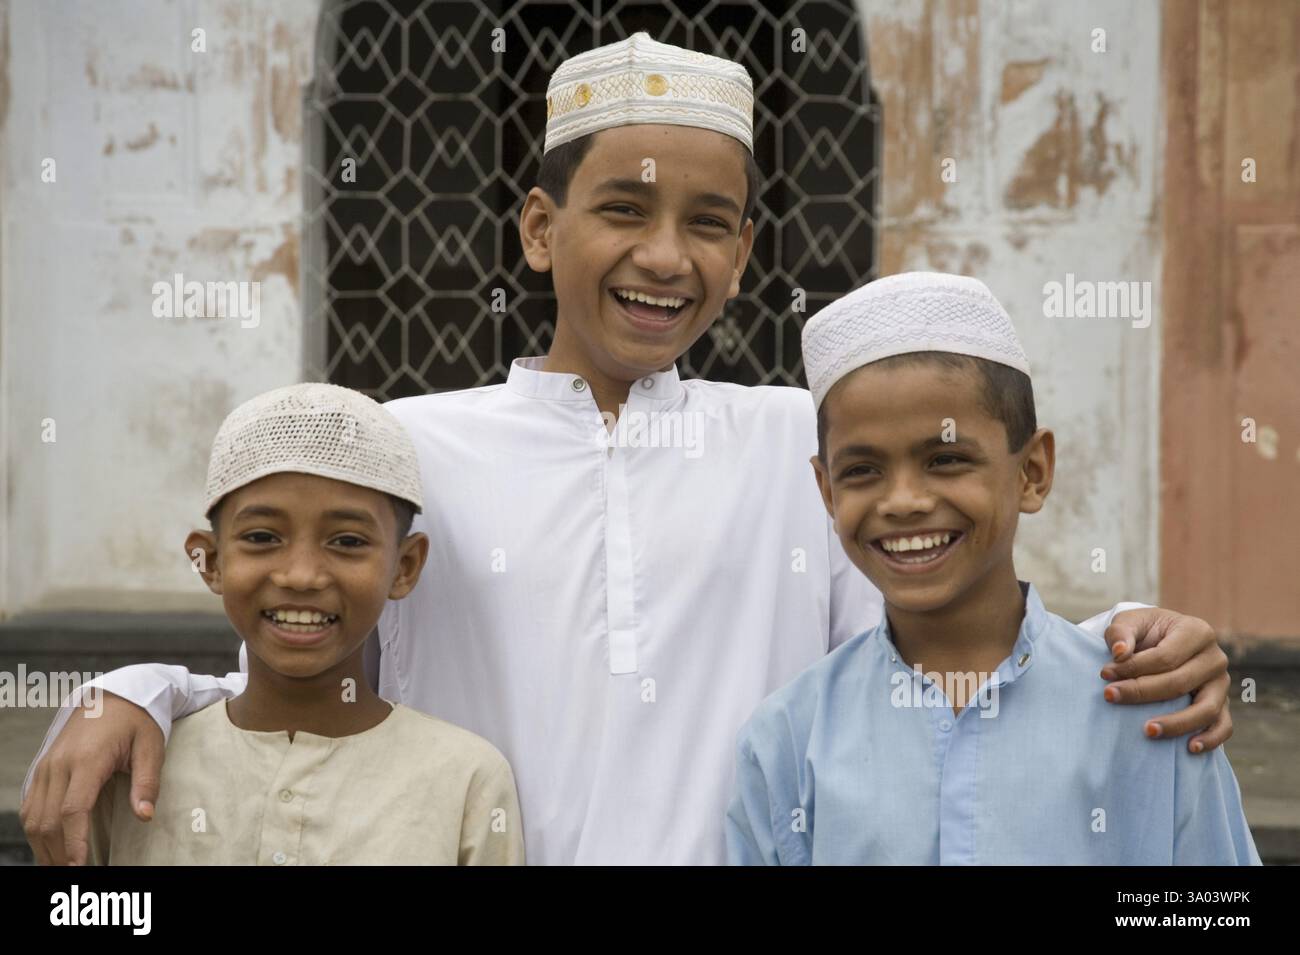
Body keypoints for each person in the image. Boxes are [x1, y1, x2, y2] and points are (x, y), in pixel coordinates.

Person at [23, 34, 1232, 867]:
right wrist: (128, 687)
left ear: (744, 253)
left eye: (706, 224)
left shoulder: (802, 449)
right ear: (542, 228)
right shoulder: (414, 448)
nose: (666, 256)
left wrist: (1132, 639)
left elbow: (945, 644)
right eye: (624, 211)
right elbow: (294, 659)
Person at [726, 273, 1259, 865]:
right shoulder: (790, 741)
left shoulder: (1148, 709)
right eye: (862, 470)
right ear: (826, 492)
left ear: (1032, 471)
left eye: (946, 459)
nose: (903, 500)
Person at [83, 383, 523, 865]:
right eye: (262, 536)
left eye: (348, 542)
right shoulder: (134, 768)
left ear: (404, 567)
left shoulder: (464, 780)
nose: (301, 576)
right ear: (208, 560)